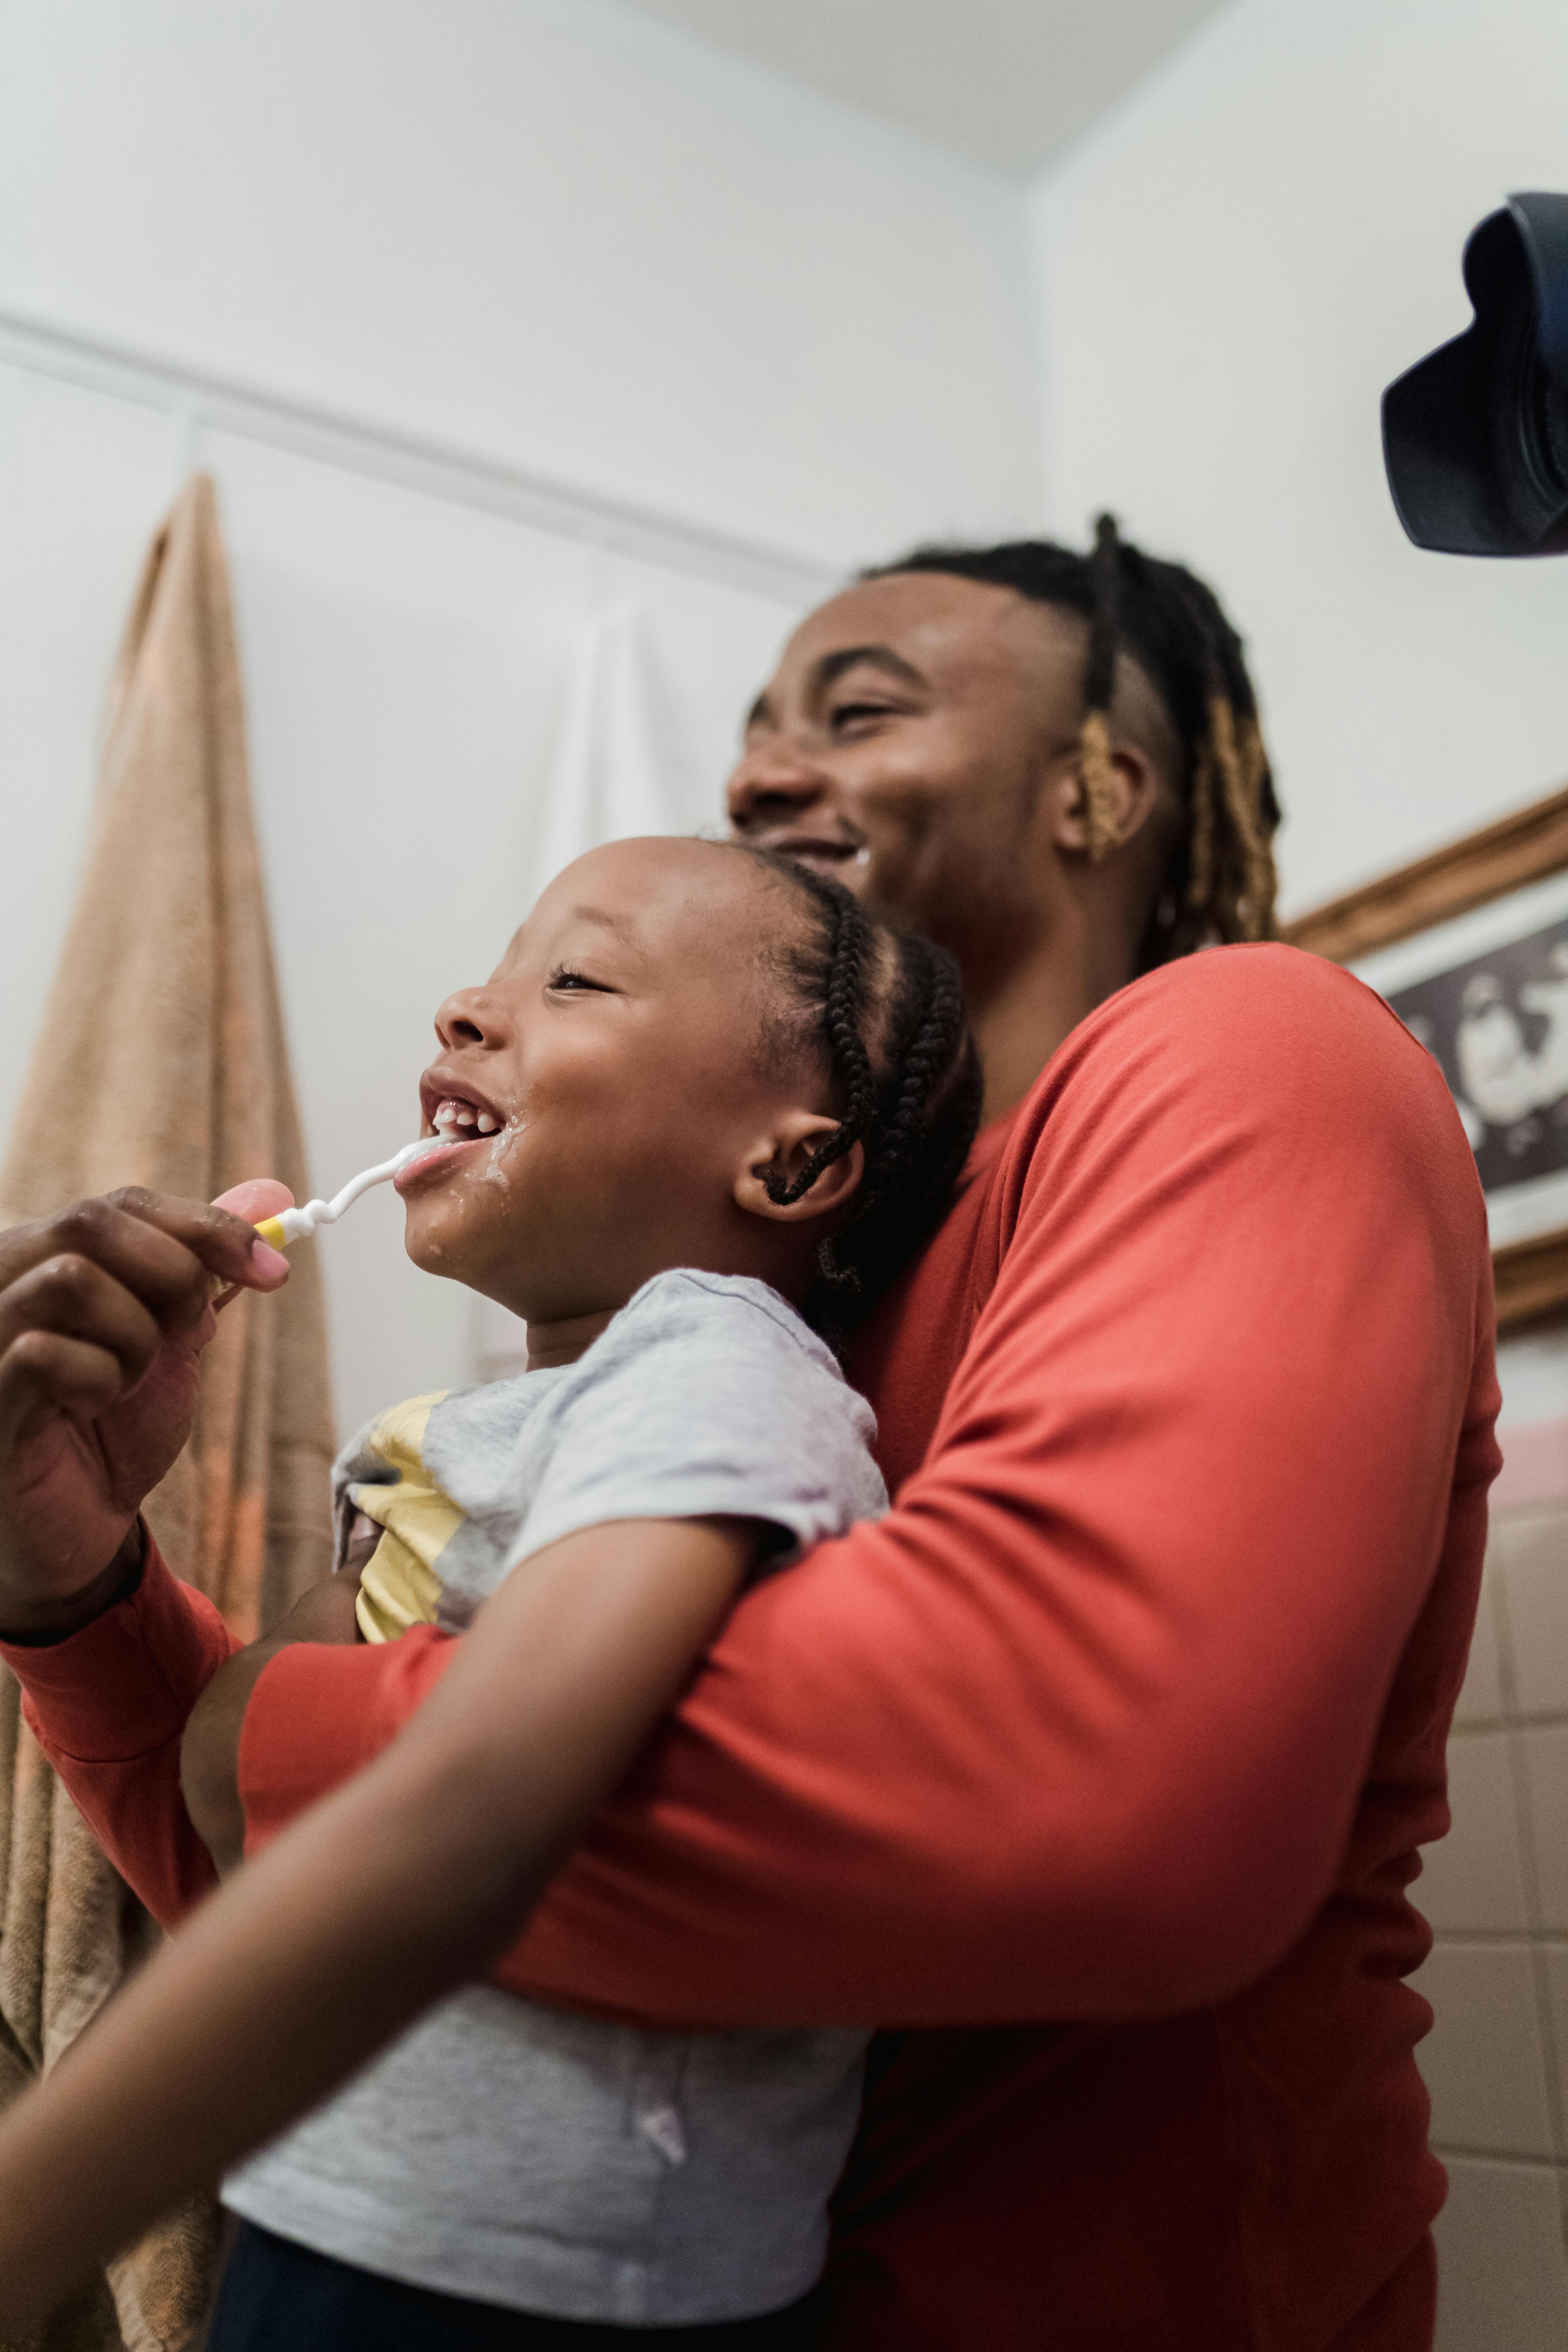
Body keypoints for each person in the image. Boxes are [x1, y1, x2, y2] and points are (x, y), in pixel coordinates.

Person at [0, 521, 1497, 2350]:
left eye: (857, 712)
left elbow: (1089, 1812)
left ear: (1102, 785)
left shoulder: (1239, 1043)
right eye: (757, 726)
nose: (758, 773)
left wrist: (269, 1732)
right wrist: (74, 1586)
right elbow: (358, 1948)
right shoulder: (730, 1302)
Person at [0, 833, 980, 2342]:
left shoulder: (716, 1365)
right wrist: (69, 1557)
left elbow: (483, 1798)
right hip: (347, 2212)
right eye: (501, 967)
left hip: (529, 2291)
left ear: (790, 1164)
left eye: (575, 979)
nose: (463, 1006)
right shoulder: (496, 1432)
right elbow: (254, 1836)